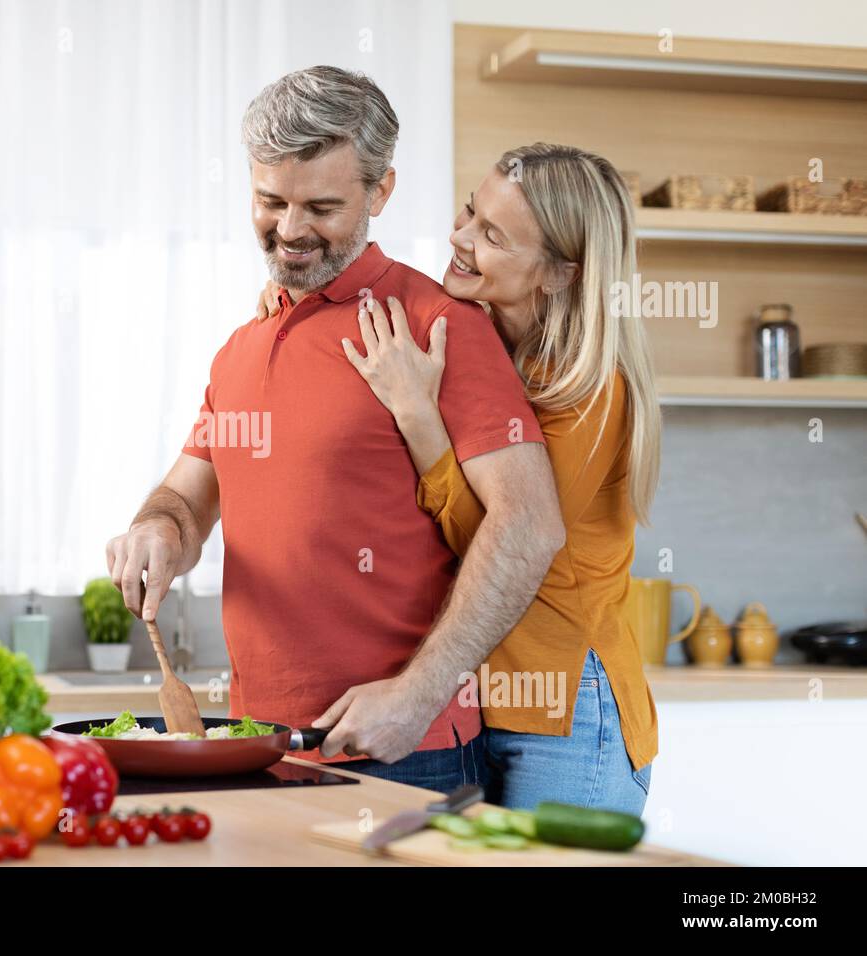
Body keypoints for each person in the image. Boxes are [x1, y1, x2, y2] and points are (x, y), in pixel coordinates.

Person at [105, 66, 565, 794]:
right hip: (256, 745)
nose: (289, 231)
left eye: (321, 205)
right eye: (269, 201)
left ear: (380, 192)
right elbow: (188, 499)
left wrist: (419, 694)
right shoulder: (241, 346)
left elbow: (531, 525)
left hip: (406, 749)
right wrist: (158, 531)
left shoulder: (438, 327)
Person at [256, 142, 662, 815]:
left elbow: (512, 543)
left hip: (566, 713)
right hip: (484, 707)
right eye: (470, 212)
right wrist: (295, 297)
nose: (461, 238)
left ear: (560, 274)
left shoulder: (589, 393)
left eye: (493, 236)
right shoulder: (478, 350)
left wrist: (418, 416)